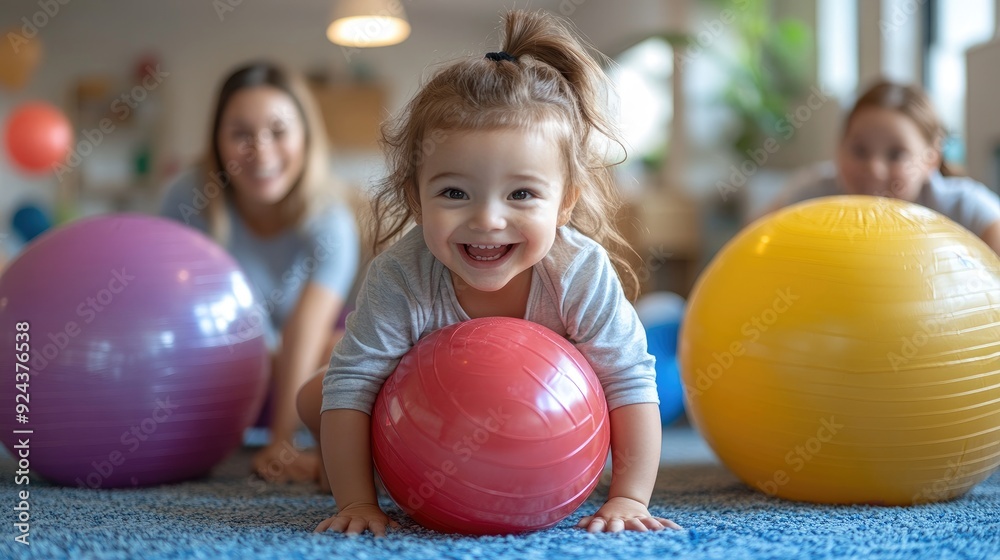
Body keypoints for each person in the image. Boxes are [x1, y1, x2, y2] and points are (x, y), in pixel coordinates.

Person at [297, 10, 682, 537]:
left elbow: (630, 380)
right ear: (416, 198)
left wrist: (628, 497)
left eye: (521, 194)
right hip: (417, 433)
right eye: (454, 193)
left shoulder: (578, 270)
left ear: (564, 203)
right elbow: (354, 384)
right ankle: (338, 467)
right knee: (315, 396)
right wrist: (358, 501)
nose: (487, 220)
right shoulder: (401, 275)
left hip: (540, 434)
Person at [160, 61, 360, 483]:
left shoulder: (332, 221)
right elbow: (167, 314)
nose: (262, 151)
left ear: (305, 136)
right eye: (241, 134)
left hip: (292, 383)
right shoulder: (188, 197)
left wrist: (282, 441)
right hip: (211, 377)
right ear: (217, 141)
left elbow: (304, 333)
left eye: (278, 131)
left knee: (342, 346)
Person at [767, 80, 1000, 254]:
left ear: (930, 159)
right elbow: (753, 240)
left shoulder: (962, 207)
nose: (874, 169)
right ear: (839, 149)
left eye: (896, 154)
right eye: (859, 150)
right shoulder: (812, 195)